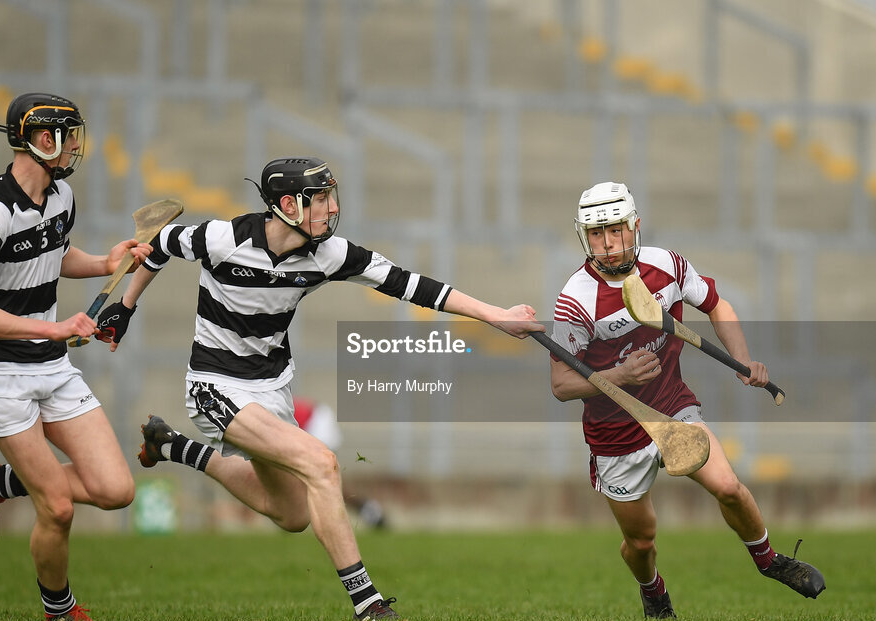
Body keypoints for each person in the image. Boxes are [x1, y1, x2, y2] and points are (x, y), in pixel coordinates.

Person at [93, 156, 541, 620]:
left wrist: (495, 315)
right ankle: (369, 605)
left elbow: (413, 286)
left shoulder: (331, 254)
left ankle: (174, 447)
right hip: (214, 384)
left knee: (291, 515)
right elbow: (159, 246)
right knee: (322, 464)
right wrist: (124, 308)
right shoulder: (221, 238)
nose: (332, 209)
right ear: (287, 205)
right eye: (320, 200)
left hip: (271, 388)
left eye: (331, 197)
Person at [547, 181, 825, 618]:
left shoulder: (667, 266)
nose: (607, 244)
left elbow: (716, 305)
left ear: (634, 226)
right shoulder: (576, 300)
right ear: (584, 236)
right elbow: (561, 385)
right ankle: (652, 590)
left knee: (729, 487)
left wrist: (742, 360)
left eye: (615, 230)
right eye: (596, 234)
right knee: (642, 541)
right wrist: (618, 375)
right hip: (615, 435)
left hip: (674, 407)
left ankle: (770, 561)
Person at [0, 92, 152, 621]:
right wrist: (54, 326)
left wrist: (105, 261)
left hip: (49, 364)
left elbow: (56, 256)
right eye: (69, 135)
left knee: (116, 491)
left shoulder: (59, 196)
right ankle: (60, 611)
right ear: (43, 139)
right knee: (58, 507)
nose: (76, 146)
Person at [293, 396, 388, 529]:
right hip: (317, 422)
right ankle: (367, 509)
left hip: (318, 423)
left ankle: (367, 509)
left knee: (322, 482)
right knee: (318, 482)